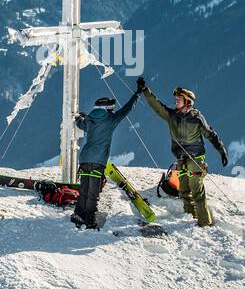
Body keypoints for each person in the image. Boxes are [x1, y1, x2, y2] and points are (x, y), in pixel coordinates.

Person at [139, 77, 227, 227]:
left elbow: (210, 134)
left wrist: (221, 150)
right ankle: (190, 219)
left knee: (197, 190)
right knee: (185, 190)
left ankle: (205, 224)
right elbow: (156, 105)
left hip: (196, 159)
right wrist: (146, 91)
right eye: (176, 98)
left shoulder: (197, 118)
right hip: (181, 159)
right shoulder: (172, 116)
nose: (175, 101)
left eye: (179, 99)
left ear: (187, 101)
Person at [70, 88, 141, 229]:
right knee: (93, 193)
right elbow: (127, 109)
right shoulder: (110, 119)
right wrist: (138, 93)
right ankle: (90, 220)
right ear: (108, 108)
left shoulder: (89, 119)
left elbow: (80, 123)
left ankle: (78, 214)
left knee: (84, 189)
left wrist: (79, 117)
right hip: (98, 161)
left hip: (84, 159)